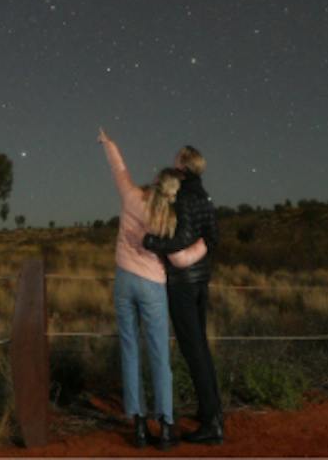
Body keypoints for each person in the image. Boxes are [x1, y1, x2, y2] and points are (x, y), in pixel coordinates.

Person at [99, 127, 204, 449]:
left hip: (124, 282)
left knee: (130, 351)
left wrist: (110, 144)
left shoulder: (131, 197)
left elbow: (119, 170)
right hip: (152, 287)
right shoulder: (166, 219)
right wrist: (202, 246)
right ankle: (167, 426)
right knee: (159, 355)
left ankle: (140, 427)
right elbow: (181, 259)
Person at [143, 146, 223, 444]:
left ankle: (213, 425)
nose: (172, 159)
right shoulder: (203, 195)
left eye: (177, 157)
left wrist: (152, 242)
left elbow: (181, 238)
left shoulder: (185, 197)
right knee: (200, 345)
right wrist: (198, 257)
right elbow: (212, 235)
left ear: (184, 165)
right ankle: (210, 410)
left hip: (183, 284)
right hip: (201, 280)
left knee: (193, 349)